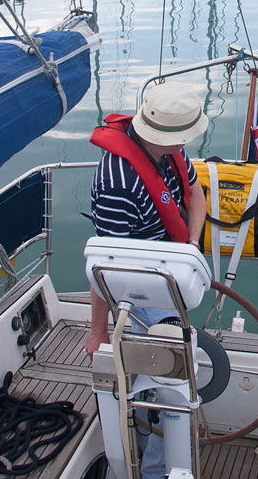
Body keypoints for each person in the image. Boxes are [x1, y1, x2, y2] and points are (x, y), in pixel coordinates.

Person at [85, 82, 208, 479]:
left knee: (174, 369)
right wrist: (98, 331)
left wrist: (189, 249)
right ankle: (155, 469)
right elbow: (107, 266)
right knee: (174, 372)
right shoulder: (118, 184)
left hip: (172, 271)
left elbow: (196, 192)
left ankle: (157, 441)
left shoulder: (170, 152)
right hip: (136, 288)